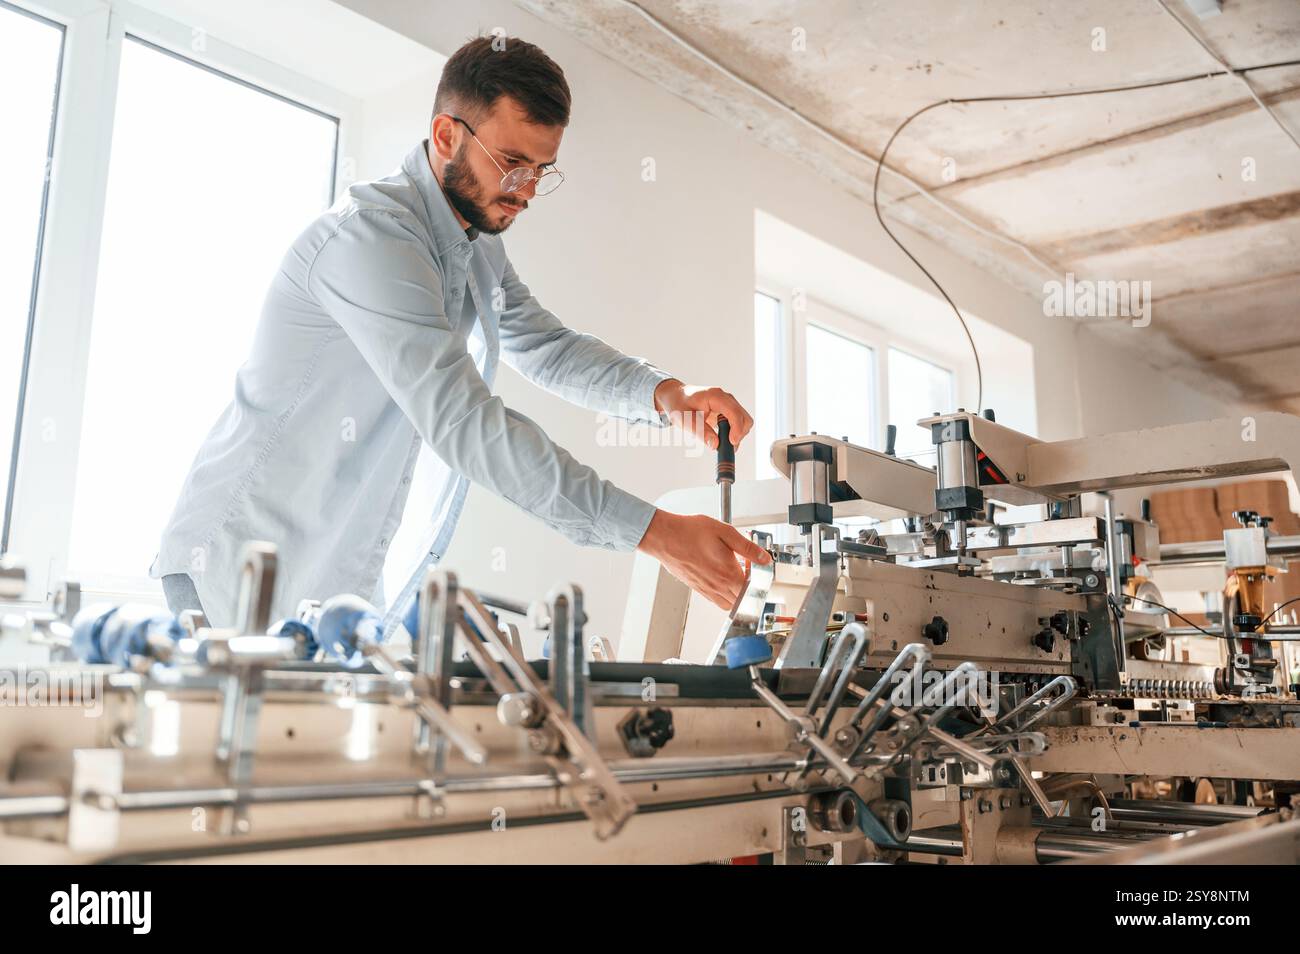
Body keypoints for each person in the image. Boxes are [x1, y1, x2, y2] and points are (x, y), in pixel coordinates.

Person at [151, 35, 770, 629]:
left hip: (330, 587)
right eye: (513, 164)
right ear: (446, 134)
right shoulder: (371, 238)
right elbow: (464, 423)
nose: (526, 192)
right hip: (231, 574)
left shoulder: (472, 245)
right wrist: (656, 532)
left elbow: (545, 347)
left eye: (542, 171)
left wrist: (668, 397)